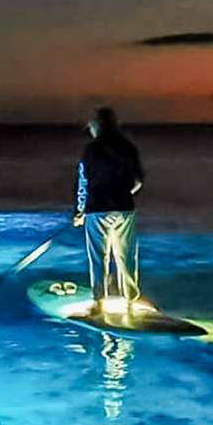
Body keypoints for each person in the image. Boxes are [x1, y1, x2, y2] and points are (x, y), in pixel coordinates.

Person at [71, 106, 145, 317]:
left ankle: (99, 301)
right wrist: (123, 192)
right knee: (126, 256)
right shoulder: (128, 146)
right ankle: (131, 301)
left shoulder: (91, 150)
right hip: (124, 207)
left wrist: (79, 211)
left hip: (97, 208)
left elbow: (83, 184)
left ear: (97, 126)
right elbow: (139, 179)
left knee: (98, 256)